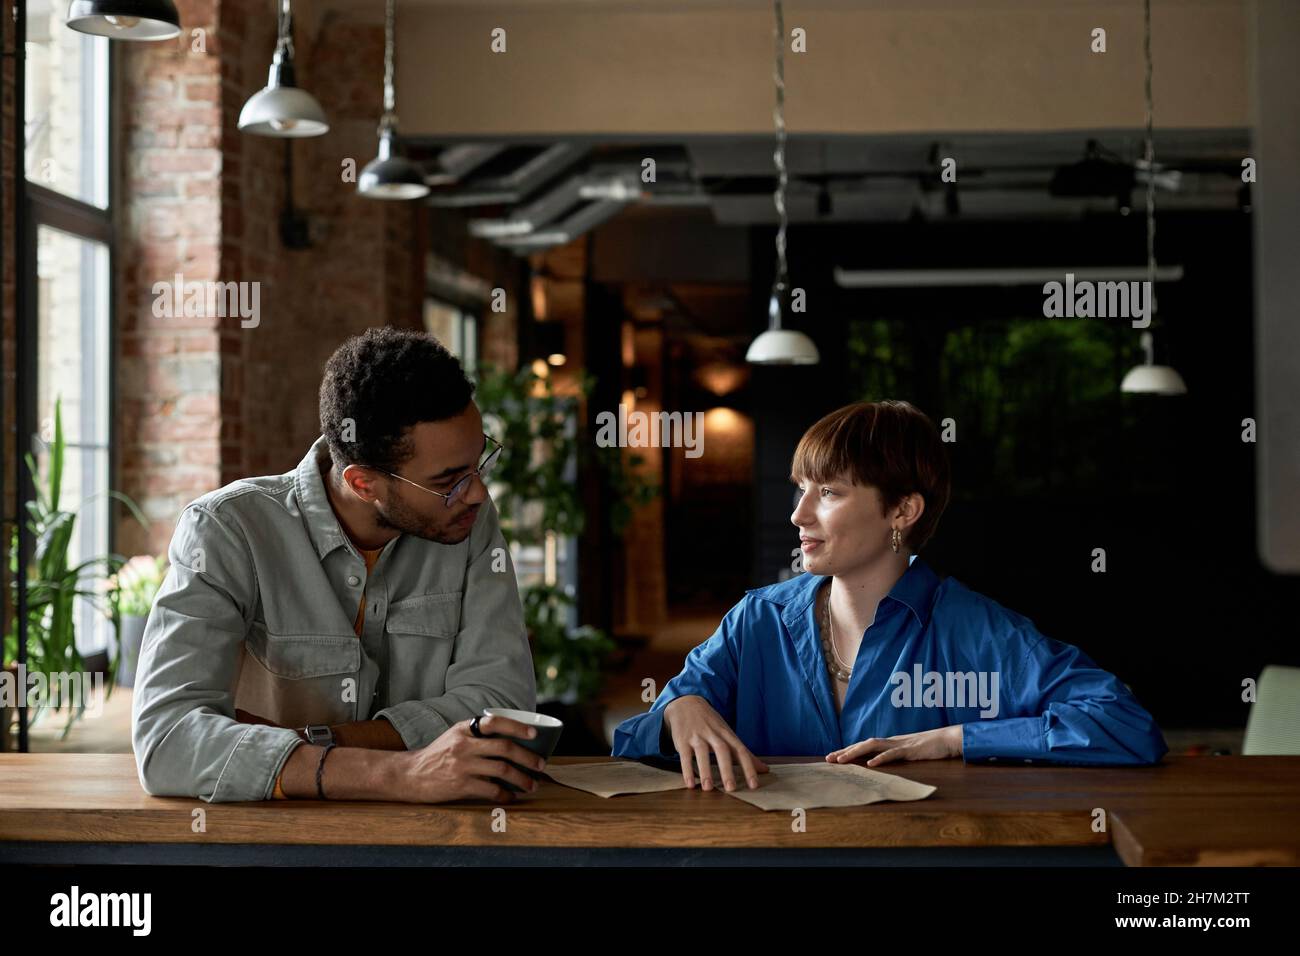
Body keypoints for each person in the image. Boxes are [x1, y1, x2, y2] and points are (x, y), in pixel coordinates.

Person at [612, 400, 1168, 791]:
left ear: (903, 510)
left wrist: (956, 738)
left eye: (829, 492)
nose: (798, 515)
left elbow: (1125, 725)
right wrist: (678, 709)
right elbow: (629, 746)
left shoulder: (976, 630)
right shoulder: (757, 621)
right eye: (800, 490)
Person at [133, 327, 543, 803]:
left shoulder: (466, 518)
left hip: (438, 848)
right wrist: (400, 773)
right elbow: (168, 741)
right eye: (448, 479)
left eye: (479, 462)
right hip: (269, 853)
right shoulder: (227, 530)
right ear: (363, 483)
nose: (477, 493)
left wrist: (314, 744)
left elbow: (503, 709)